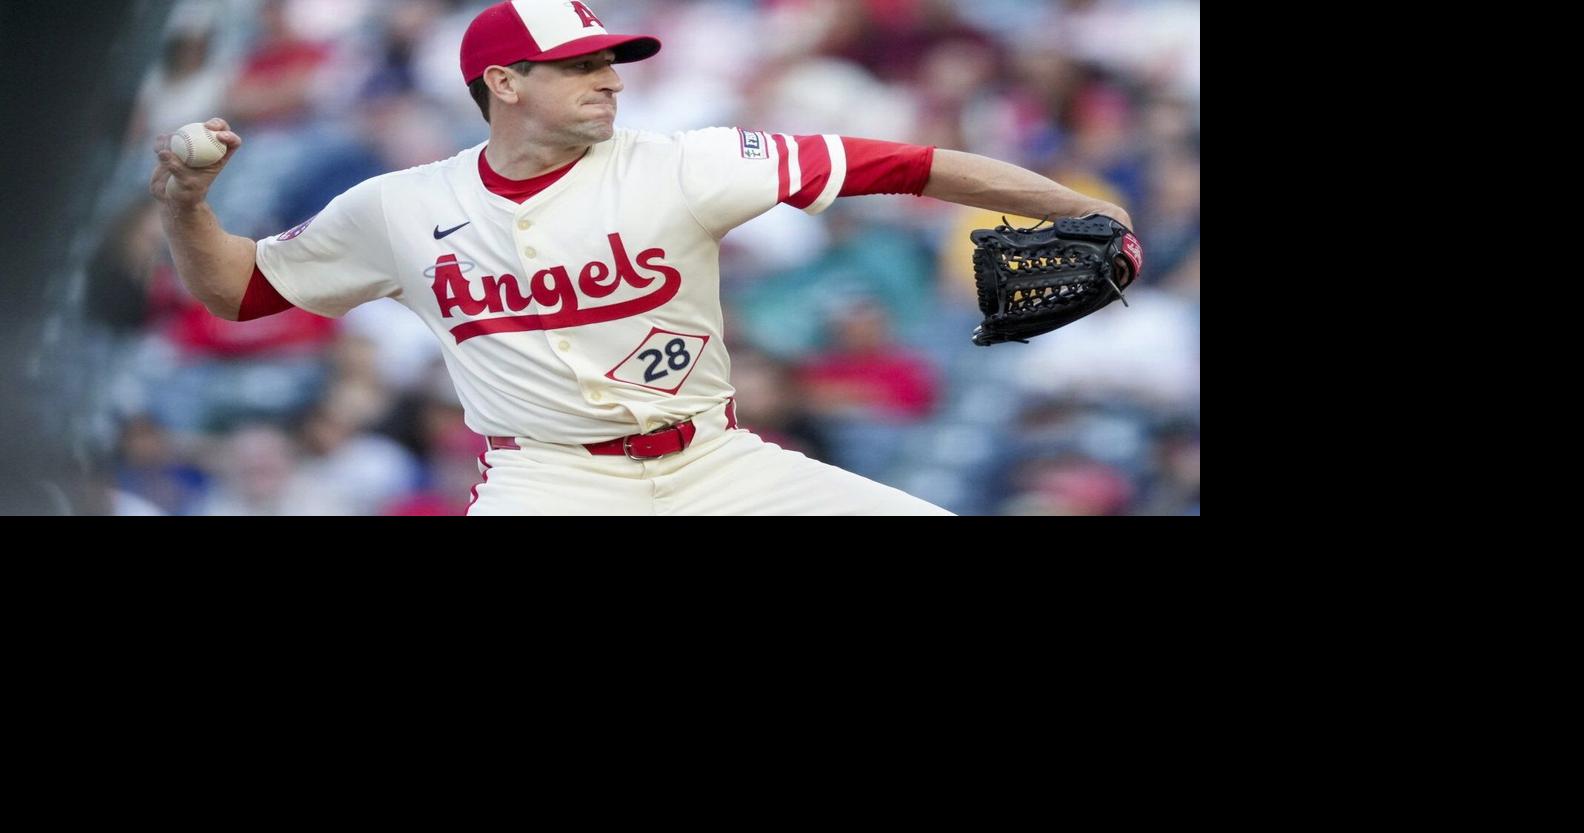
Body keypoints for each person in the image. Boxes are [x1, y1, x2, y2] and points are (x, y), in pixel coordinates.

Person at [149, 0, 1134, 516]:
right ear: (504, 83)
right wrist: (186, 204)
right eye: (580, 64)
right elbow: (237, 289)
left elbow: (906, 163)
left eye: (610, 59)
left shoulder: (686, 163)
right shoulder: (398, 208)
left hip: (716, 459)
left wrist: (1078, 207)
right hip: (551, 484)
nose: (609, 77)